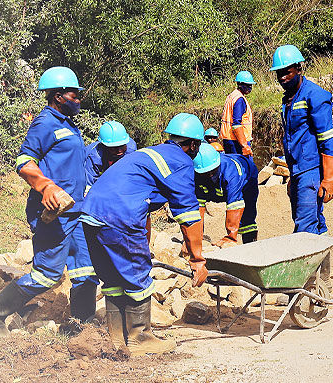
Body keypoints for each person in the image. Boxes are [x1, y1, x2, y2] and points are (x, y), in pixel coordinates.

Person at [79, 113, 208, 354]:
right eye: (196, 146)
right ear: (192, 144)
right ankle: (140, 338)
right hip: (119, 216)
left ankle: (116, 339)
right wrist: (197, 260)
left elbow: (144, 204)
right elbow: (189, 215)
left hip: (90, 213)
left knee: (114, 279)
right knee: (138, 275)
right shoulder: (180, 161)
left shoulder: (151, 153)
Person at [0, 67, 97, 336]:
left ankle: (83, 325)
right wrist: (46, 187)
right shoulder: (45, 123)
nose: (79, 99)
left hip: (76, 210)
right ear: (58, 95)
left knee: (86, 269)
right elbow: (24, 162)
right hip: (53, 213)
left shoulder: (68, 124)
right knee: (47, 275)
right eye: (74, 94)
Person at [272, 45, 333, 289]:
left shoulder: (315, 95)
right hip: (299, 171)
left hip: (312, 171)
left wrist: (329, 178)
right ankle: (323, 284)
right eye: (278, 73)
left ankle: (305, 289)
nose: (282, 77)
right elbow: (294, 139)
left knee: (304, 229)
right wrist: (292, 175)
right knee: (316, 225)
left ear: (299, 68)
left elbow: (327, 138)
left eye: (287, 72)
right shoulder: (289, 100)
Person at [193, 143, 259, 247]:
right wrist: (195, 237)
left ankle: (250, 245)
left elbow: (235, 205)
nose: (210, 175)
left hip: (248, 178)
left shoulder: (232, 173)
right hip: (217, 189)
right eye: (205, 173)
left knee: (248, 215)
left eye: (212, 172)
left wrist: (230, 238)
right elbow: (198, 206)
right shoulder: (196, 174)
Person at [84, 121, 137, 195]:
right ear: (104, 146)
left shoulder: (131, 148)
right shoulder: (94, 156)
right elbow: (88, 185)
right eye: (114, 148)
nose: (119, 151)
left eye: (122, 146)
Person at [220, 71, 254, 156]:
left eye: (251, 85)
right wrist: (244, 145)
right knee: (244, 167)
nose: (250, 88)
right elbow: (236, 124)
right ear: (240, 84)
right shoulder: (239, 99)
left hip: (228, 139)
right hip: (236, 141)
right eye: (247, 85)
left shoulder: (232, 96)